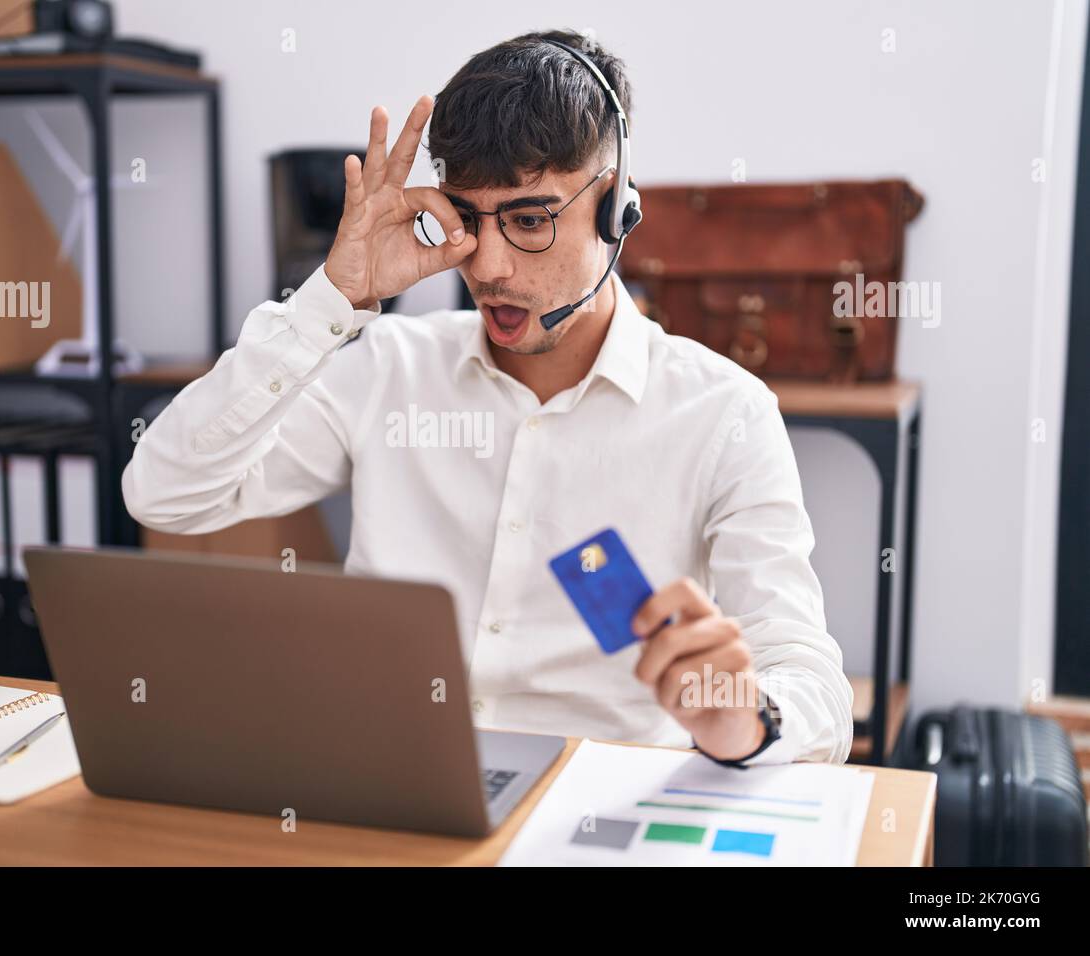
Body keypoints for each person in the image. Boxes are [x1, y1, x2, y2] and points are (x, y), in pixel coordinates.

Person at [123, 29, 853, 766]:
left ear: (615, 210)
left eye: (530, 221)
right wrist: (332, 299)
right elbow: (167, 494)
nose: (490, 266)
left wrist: (744, 719)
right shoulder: (390, 367)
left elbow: (811, 681)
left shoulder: (723, 413)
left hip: (591, 811)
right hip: (390, 784)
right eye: (468, 219)